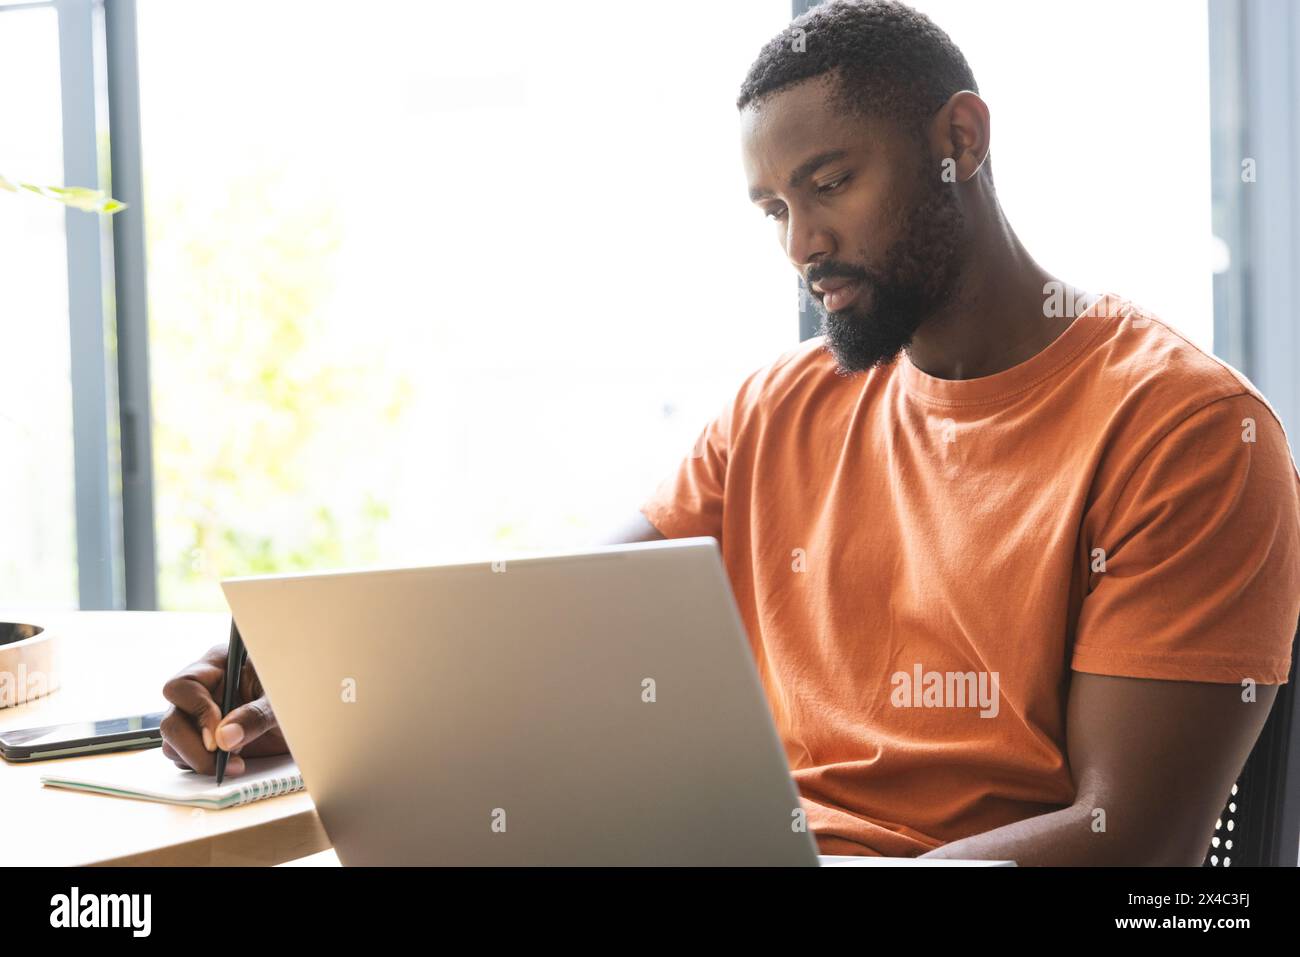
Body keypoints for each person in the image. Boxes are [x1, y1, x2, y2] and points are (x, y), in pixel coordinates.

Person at [161, 0, 1300, 864]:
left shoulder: (1185, 432)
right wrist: (310, 689)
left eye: (830, 182)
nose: (801, 245)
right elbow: (546, 617)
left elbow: (1131, 841)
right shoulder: (778, 411)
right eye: (773, 209)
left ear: (959, 138)